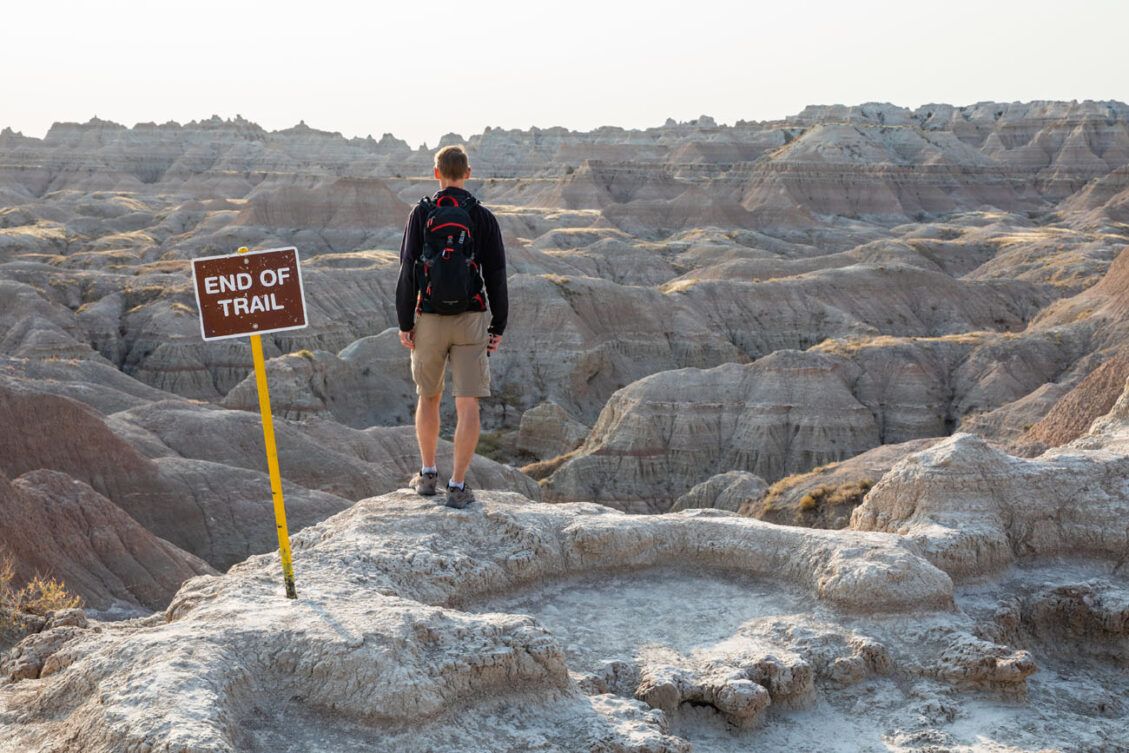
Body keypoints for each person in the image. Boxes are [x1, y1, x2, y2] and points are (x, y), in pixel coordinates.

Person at [395, 144, 508, 508]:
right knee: (468, 403)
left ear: (436, 173)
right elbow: (496, 275)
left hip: (428, 317)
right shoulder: (482, 216)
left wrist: (404, 321)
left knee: (428, 397)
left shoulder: (421, 213)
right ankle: (457, 486)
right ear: (469, 173)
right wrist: (498, 324)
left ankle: (428, 475)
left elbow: (408, 267)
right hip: (472, 318)